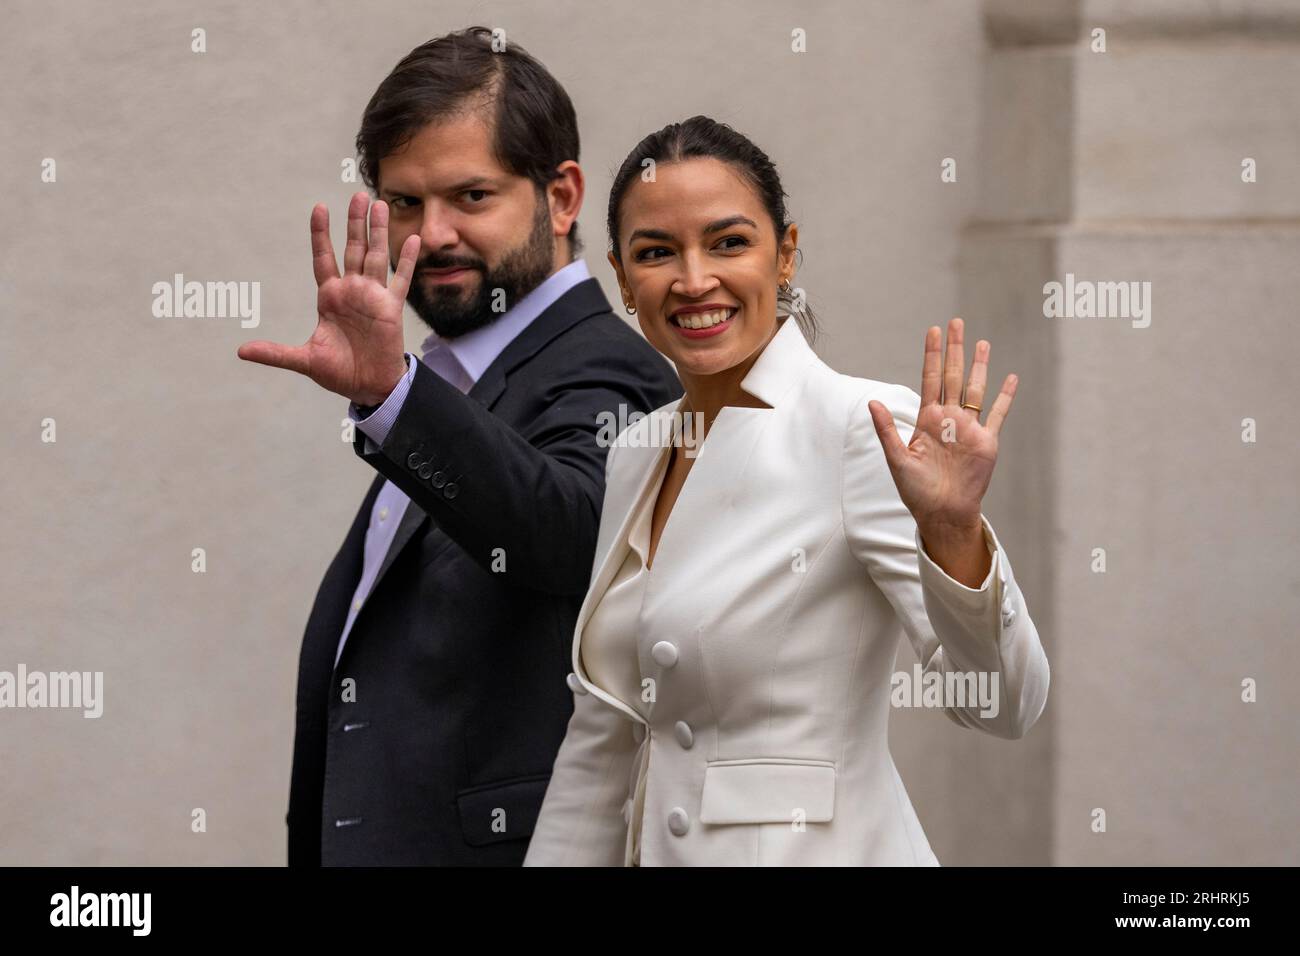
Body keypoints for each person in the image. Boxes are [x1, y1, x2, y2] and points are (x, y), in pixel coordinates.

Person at [523, 115, 1050, 866]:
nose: (694, 278)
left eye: (729, 242)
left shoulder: (859, 429)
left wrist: (954, 533)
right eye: (656, 252)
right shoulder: (637, 451)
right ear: (622, 279)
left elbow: (1004, 706)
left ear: (786, 254)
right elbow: (602, 740)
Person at [237, 28, 680, 865]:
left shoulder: (607, 368)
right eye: (405, 203)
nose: (431, 234)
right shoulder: (440, 384)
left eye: (470, 197)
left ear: (561, 197)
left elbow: (567, 531)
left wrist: (393, 397)